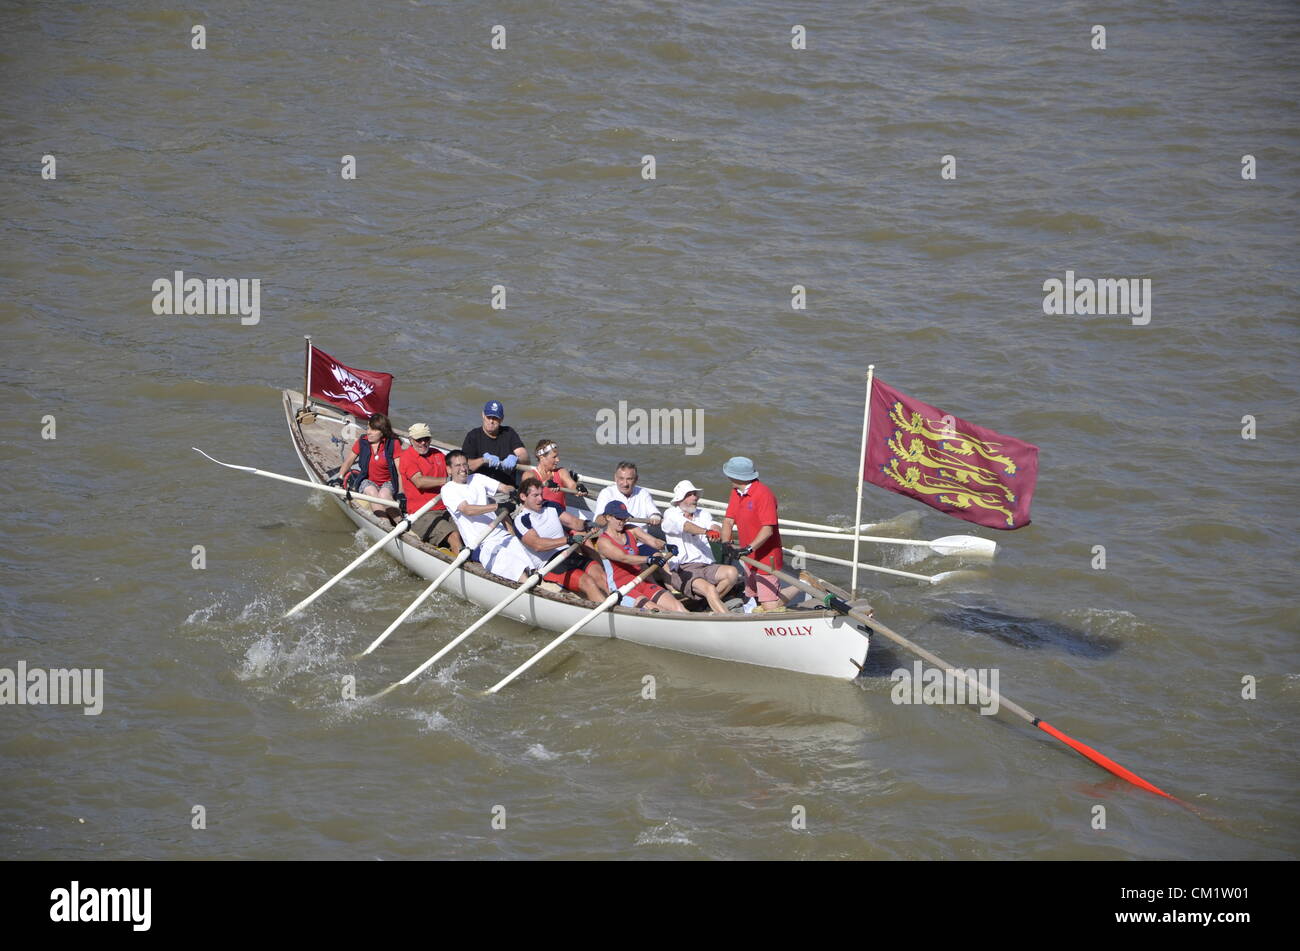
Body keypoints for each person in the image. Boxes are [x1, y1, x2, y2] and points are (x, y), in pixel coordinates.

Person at [440, 450, 532, 583]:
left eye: (465, 464)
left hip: (502, 535)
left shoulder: (477, 478)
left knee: (530, 557)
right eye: (458, 466)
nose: (463, 469)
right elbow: (467, 510)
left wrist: (514, 492)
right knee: (514, 567)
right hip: (481, 544)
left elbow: (504, 487)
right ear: (449, 469)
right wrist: (496, 507)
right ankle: (528, 587)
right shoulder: (448, 489)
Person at [513, 478, 608, 600]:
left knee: (598, 573)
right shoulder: (521, 520)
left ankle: (611, 605)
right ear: (523, 497)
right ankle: (605, 613)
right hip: (550, 564)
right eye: (535, 495)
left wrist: (587, 524)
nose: (540, 499)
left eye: (541, 494)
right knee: (587, 582)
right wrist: (568, 540)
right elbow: (538, 545)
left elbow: (573, 522)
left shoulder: (551, 506)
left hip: (569, 554)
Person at [661, 480, 740, 613]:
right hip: (683, 569)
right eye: (690, 495)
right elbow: (686, 526)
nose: (695, 497)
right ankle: (727, 618)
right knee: (709, 589)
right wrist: (706, 532)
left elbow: (713, 525)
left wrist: (718, 531)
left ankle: (708, 604)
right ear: (680, 499)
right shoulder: (670, 515)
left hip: (707, 565)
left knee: (733, 573)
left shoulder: (703, 513)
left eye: (695, 494)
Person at [720, 456, 784, 613]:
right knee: (752, 594)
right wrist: (725, 543)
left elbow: (767, 529)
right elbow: (728, 520)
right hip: (749, 557)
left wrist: (748, 549)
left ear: (736, 477)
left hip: (766, 558)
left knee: (769, 607)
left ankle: (801, 583)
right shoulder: (736, 492)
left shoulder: (764, 495)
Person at [595, 501, 686, 613]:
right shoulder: (603, 541)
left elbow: (652, 541)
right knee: (658, 611)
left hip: (642, 581)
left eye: (624, 518)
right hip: (622, 588)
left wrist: (666, 546)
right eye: (619, 518)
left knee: (678, 607)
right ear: (608, 517)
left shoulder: (631, 530)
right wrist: (649, 559)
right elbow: (625, 558)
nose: (622, 522)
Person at [399, 422, 461, 553]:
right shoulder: (407, 457)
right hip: (422, 514)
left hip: (447, 509)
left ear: (430, 439)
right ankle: (462, 569)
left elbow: (457, 467)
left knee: (468, 532)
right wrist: (448, 480)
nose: (423, 443)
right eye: (418, 440)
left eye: (426, 439)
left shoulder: (438, 454)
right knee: (454, 536)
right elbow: (419, 482)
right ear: (411, 440)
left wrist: (481, 461)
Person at [334, 412, 404, 520]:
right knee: (372, 492)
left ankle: (400, 523)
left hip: (388, 481)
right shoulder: (362, 441)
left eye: (373, 430)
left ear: (383, 432)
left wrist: (401, 493)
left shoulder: (393, 444)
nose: (369, 432)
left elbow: (400, 472)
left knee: (384, 495)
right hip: (367, 480)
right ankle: (385, 524)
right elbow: (349, 461)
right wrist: (340, 477)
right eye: (368, 428)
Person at [463, 399, 527, 488]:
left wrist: (517, 459)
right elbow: (465, 467)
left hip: (508, 487)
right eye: (488, 417)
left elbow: (524, 456)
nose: (491, 421)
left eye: (495, 418)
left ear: (502, 419)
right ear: (483, 415)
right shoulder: (473, 436)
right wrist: (483, 461)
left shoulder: (509, 433)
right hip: (481, 487)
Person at [593, 461, 661, 528]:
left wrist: (655, 517)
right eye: (621, 478)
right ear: (615, 478)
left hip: (640, 538)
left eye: (629, 479)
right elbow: (598, 521)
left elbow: (654, 513)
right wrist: (611, 517)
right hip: (615, 538)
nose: (625, 484)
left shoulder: (643, 493)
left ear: (636, 479)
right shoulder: (606, 493)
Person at [531, 438, 585, 508]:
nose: (558, 460)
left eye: (557, 456)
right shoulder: (532, 475)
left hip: (560, 516)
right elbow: (529, 494)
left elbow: (572, 486)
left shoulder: (561, 472)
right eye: (554, 457)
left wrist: (578, 488)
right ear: (542, 457)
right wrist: (545, 484)